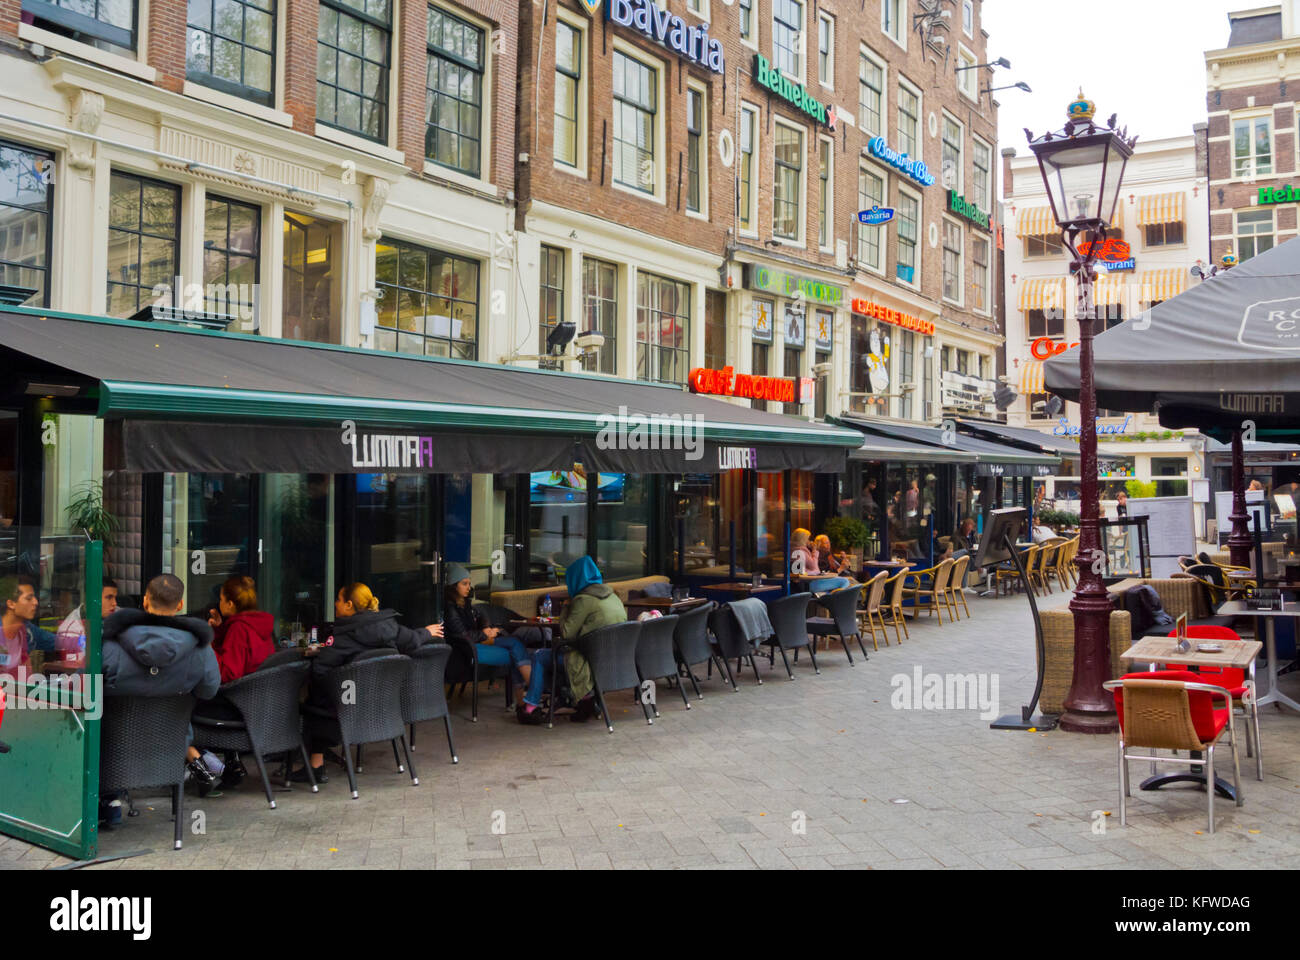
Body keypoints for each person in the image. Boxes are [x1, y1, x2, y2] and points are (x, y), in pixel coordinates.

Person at [292, 582, 443, 783]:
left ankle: (315, 765)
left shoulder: (341, 636)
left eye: (338, 599)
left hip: (347, 708)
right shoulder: (389, 627)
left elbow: (320, 672)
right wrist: (426, 632)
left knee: (314, 701)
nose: (335, 603)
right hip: (384, 706)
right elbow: (411, 639)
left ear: (349, 605)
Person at [101, 574, 221, 804]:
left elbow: (84, 688)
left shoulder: (109, 644)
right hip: (171, 744)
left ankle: (109, 804)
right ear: (180, 604)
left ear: (145, 601)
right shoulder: (201, 650)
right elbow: (208, 691)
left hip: (113, 745)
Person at [517, 556, 622, 726]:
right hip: (610, 659)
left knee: (540, 656)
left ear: (575, 579)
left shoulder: (583, 600)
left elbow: (566, 633)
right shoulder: (613, 597)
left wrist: (566, 605)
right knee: (557, 654)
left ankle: (530, 707)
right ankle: (585, 699)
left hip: (586, 660)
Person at [198, 576, 276, 789]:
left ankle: (202, 767)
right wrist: (219, 630)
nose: (219, 603)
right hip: (257, 704)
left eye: (222, 599)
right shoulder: (259, 626)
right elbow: (237, 655)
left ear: (231, 604)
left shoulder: (239, 629)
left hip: (238, 708)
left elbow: (227, 674)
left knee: (186, 705)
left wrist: (208, 644)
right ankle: (230, 762)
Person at [442, 563, 532, 708]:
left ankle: (526, 700)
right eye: (464, 583)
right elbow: (461, 634)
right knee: (516, 652)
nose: (468, 587)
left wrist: (486, 628)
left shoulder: (464, 603)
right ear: (453, 586)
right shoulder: (450, 608)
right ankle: (528, 698)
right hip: (467, 650)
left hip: (478, 642)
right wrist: (484, 634)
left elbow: (481, 615)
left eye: (469, 583)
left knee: (515, 643)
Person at [1, 577, 56, 680]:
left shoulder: (27, 630)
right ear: (11, 603)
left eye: (34, 597)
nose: (36, 602)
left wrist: (82, 641)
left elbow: (58, 641)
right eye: (29, 598)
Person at [790, 528, 851, 593]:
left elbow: (811, 569)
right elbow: (814, 567)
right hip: (809, 584)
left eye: (829, 542)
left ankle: (832, 596)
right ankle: (836, 597)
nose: (809, 541)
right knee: (845, 581)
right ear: (802, 539)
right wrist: (814, 550)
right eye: (807, 539)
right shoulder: (800, 551)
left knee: (846, 582)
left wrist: (844, 559)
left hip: (811, 581)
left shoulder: (797, 550)